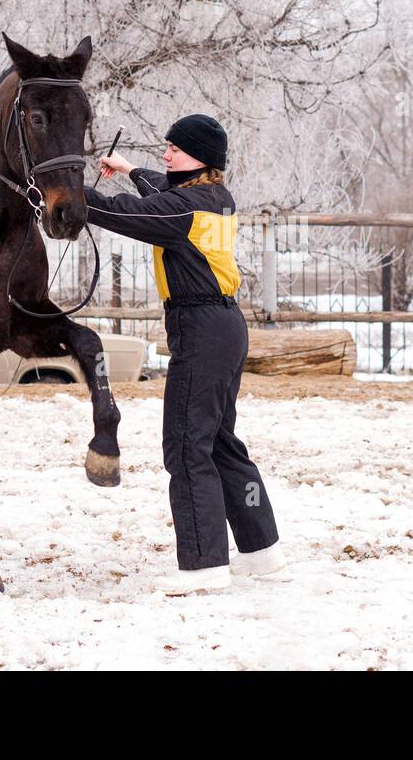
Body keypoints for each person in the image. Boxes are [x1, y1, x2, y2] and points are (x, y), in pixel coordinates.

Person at [83, 113, 286, 595]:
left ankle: (203, 566)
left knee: (185, 445)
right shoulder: (215, 199)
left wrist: (67, 193)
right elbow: (162, 193)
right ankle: (263, 551)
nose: (166, 153)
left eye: (174, 147)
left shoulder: (182, 209)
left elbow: (127, 213)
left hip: (200, 330)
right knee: (220, 443)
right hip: (226, 328)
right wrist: (132, 169)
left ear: (199, 158)